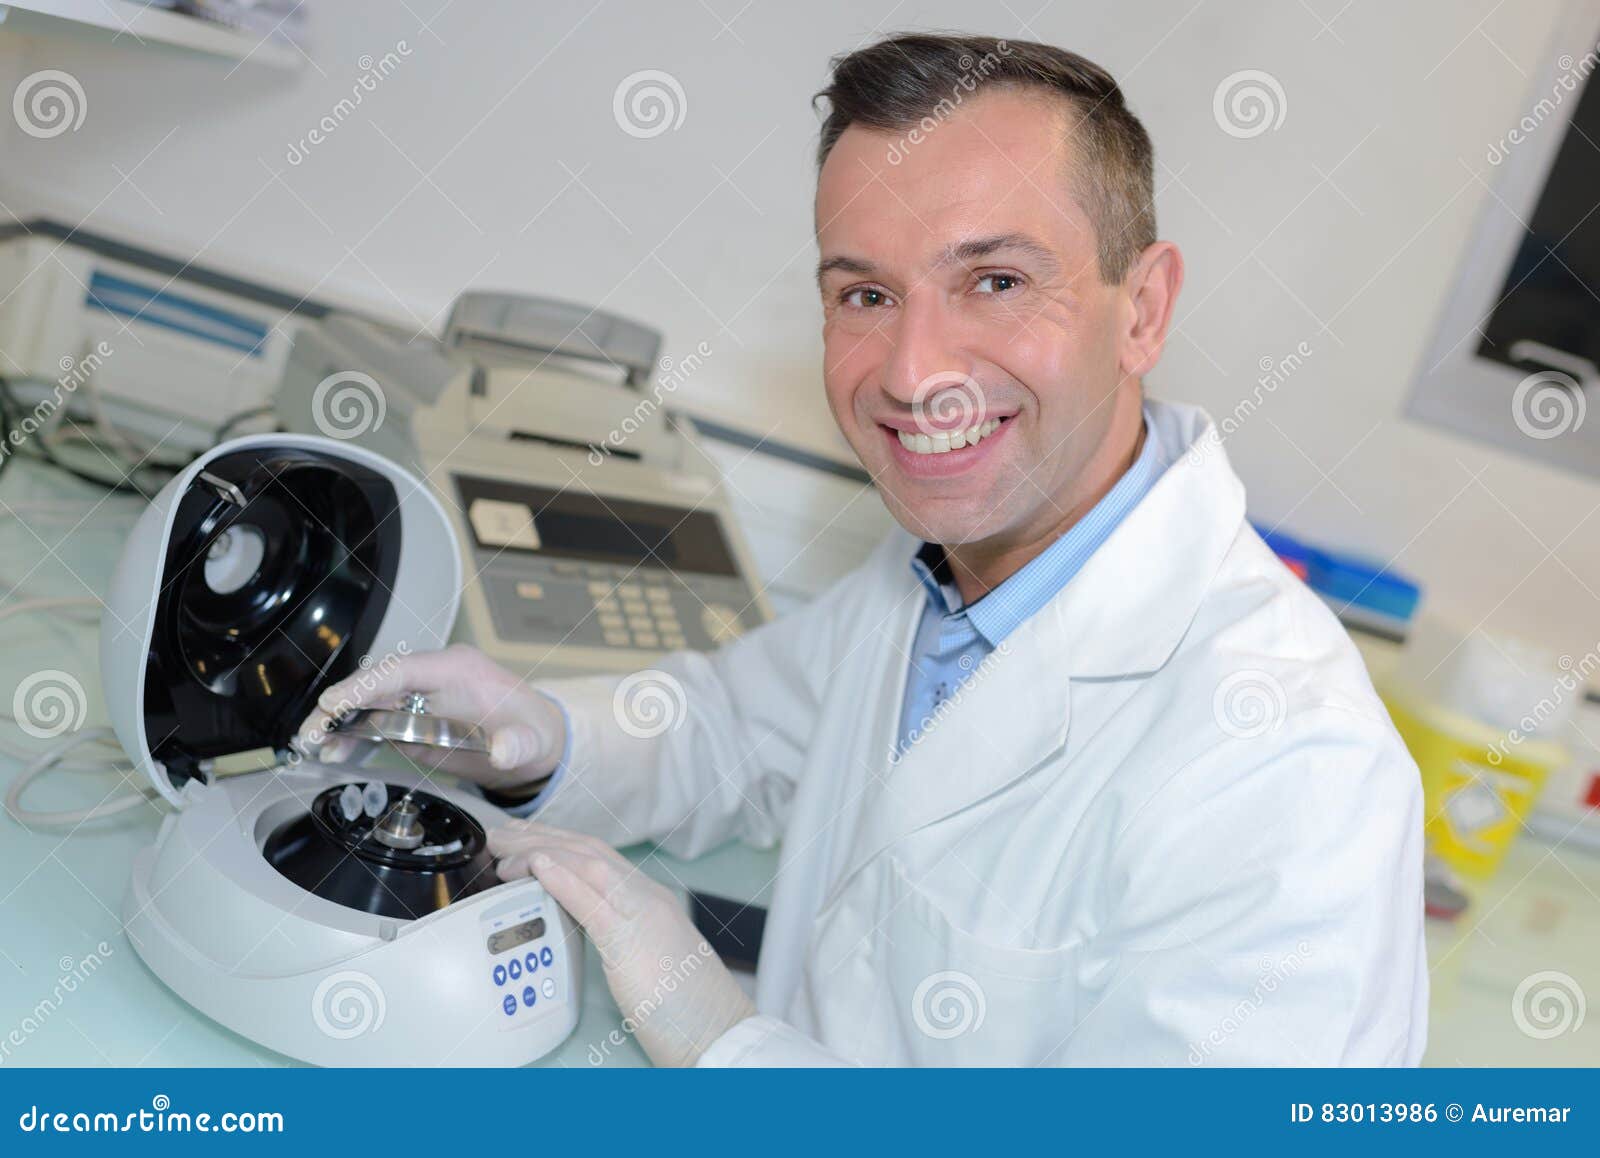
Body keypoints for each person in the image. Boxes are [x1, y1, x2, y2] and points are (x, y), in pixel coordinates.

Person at [299, 33, 1427, 1066]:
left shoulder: (1288, 772)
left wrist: (718, 1038)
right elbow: (733, 735)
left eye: (995, 280)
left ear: (1142, 307)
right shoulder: (943, 575)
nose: (911, 368)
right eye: (867, 293)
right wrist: (539, 741)